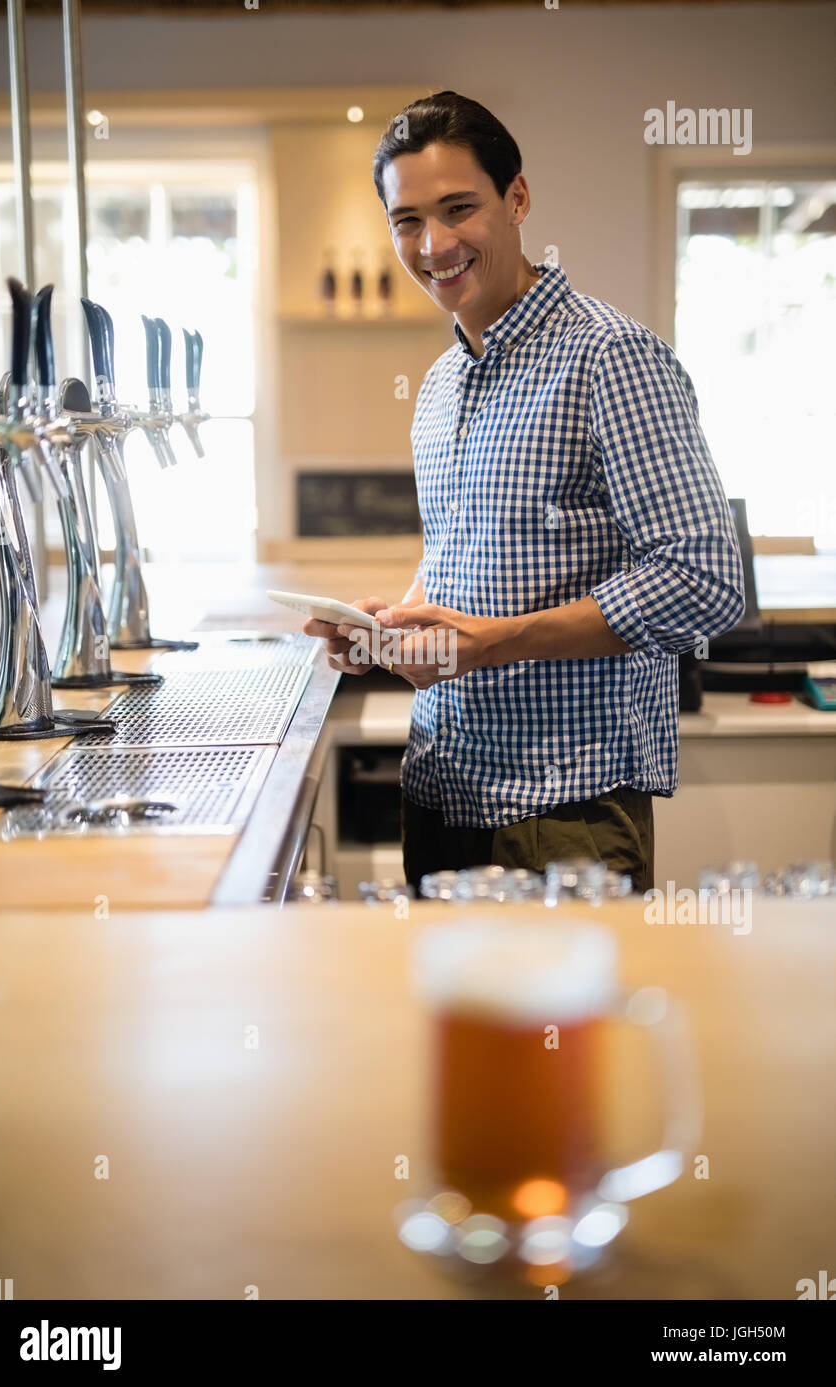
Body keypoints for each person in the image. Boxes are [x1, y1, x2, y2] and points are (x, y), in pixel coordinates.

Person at [304, 91, 745, 897]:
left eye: (458, 209)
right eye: (407, 221)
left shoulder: (611, 358)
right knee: (448, 1027)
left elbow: (705, 580)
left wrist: (496, 641)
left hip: (563, 812)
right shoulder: (440, 384)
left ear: (517, 199)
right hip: (440, 794)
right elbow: (460, 563)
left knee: (567, 1029)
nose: (434, 244)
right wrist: (389, 632)